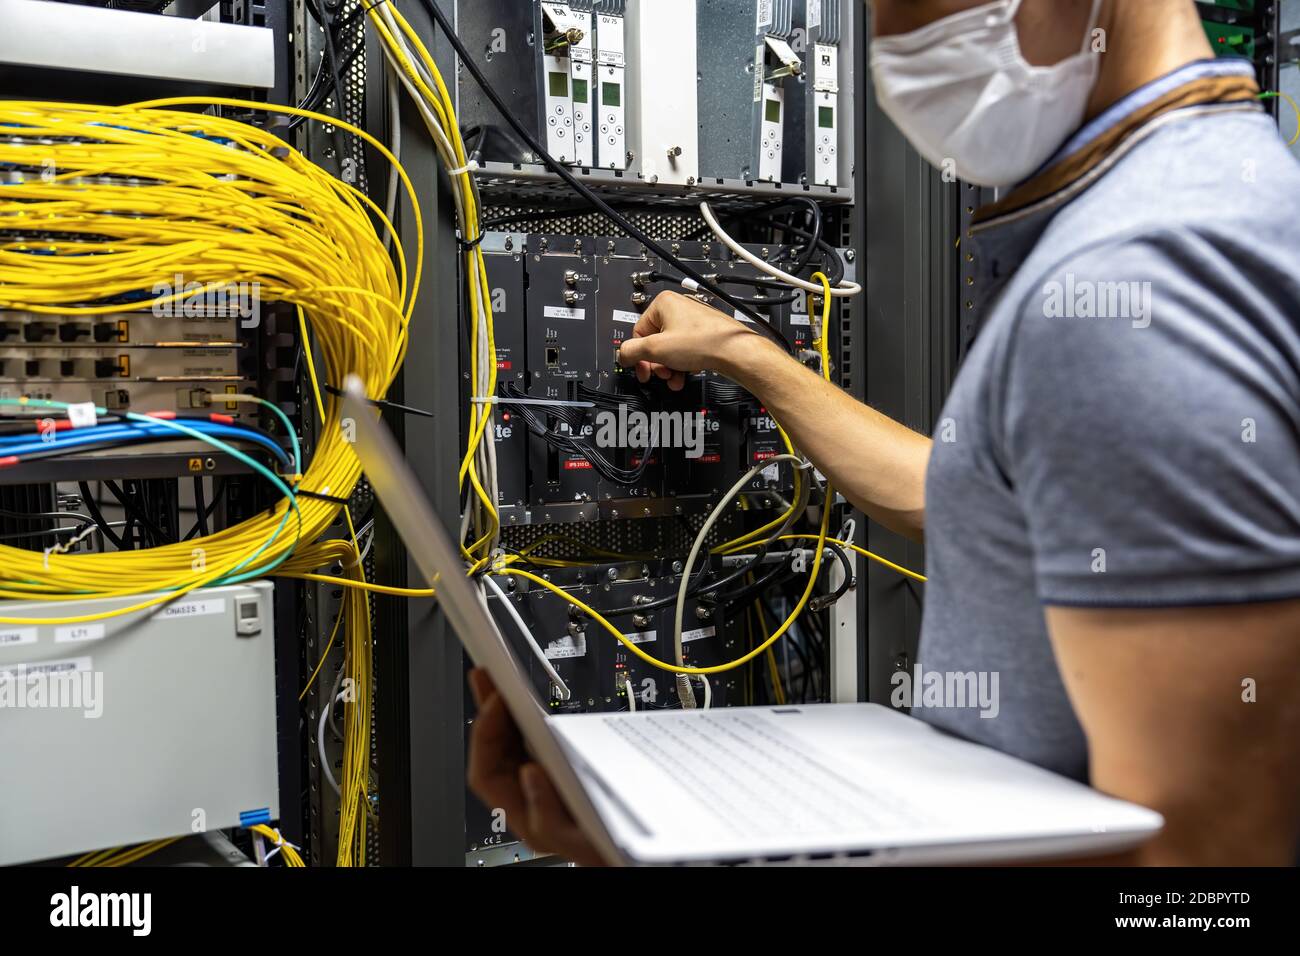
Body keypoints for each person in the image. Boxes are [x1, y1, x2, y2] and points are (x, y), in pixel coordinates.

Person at [468, 0, 1300, 866]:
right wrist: (749, 356)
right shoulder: (1190, 209)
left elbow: (1203, 873)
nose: (887, 41)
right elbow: (973, 506)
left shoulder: (1138, 278)